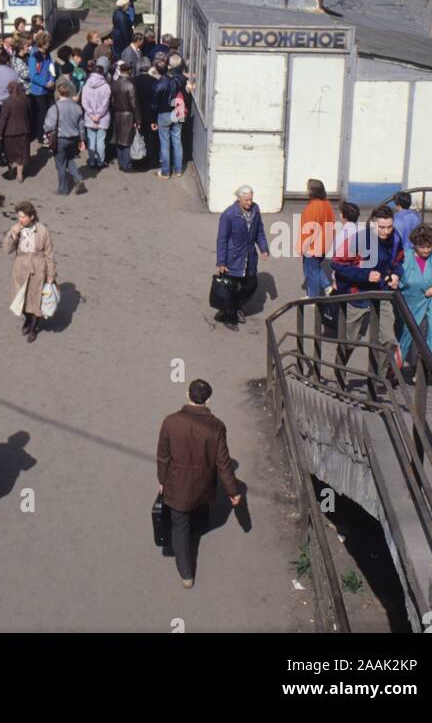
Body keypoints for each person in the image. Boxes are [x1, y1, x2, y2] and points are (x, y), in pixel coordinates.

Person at [156, 378, 241, 588]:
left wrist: (162, 480)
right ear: (208, 399)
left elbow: (163, 456)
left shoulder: (170, 422)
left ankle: (186, 574)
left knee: (179, 526)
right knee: (199, 510)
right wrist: (233, 491)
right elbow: (223, 462)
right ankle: (198, 529)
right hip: (203, 483)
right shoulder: (217, 426)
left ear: (188, 395)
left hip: (177, 485)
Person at [330, 204, 403, 361]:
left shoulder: (395, 238)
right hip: (358, 296)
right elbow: (337, 263)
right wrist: (365, 275)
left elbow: (398, 261)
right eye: (382, 227)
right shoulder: (359, 239)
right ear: (373, 224)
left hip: (382, 294)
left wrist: (397, 274)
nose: (386, 231)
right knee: (349, 342)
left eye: (389, 227)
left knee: (388, 341)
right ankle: (339, 374)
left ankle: (379, 380)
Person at [397, 225, 432, 371]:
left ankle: (423, 371)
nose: (426, 250)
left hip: (429, 304)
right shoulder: (405, 258)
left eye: (429, 246)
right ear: (415, 245)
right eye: (422, 247)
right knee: (406, 338)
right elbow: (397, 279)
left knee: (427, 336)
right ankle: (395, 370)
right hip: (408, 304)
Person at [215, 185, 270, 327]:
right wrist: (221, 262)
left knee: (251, 285)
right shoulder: (229, 215)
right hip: (233, 259)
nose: (249, 203)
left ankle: (233, 308)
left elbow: (259, 231)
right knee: (230, 289)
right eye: (246, 200)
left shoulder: (256, 210)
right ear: (238, 199)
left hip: (250, 258)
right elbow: (222, 240)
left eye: (250, 199)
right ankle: (229, 317)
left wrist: (264, 248)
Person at [3, 202, 56, 343]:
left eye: (22, 217)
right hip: (20, 269)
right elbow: (6, 249)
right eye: (18, 216)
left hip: (38, 270)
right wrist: (13, 235)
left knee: (36, 300)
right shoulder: (16, 229)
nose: (20, 219)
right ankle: (27, 318)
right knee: (21, 299)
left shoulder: (42, 231)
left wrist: (51, 275)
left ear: (31, 217)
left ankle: (33, 328)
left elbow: (49, 254)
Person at [44, 80, 87, 196]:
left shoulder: (55, 108)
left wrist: (45, 130)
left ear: (59, 93)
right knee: (69, 159)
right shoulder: (77, 108)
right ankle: (78, 178)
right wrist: (82, 140)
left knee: (60, 164)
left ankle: (63, 188)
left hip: (60, 139)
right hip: (74, 138)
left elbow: (48, 126)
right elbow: (81, 126)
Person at [150, 54, 188, 179]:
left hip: (164, 114)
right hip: (177, 111)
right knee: (177, 141)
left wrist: (153, 119)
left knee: (165, 143)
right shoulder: (176, 81)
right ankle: (178, 169)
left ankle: (166, 171)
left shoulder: (158, 85)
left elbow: (154, 104)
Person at [299, 178, 336, 300]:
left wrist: (303, 247)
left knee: (311, 271)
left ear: (312, 191)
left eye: (307, 188)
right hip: (325, 243)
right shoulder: (327, 204)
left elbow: (308, 230)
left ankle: (313, 297)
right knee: (315, 268)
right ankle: (326, 287)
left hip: (313, 246)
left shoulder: (311, 208)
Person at [0, 79, 32, 183]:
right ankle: (19, 173)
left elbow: (3, 118)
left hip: (10, 132)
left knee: (13, 153)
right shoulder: (26, 100)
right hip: (24, 130)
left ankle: (13, 169)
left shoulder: (7, 102)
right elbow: (30, 114)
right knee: (21, 153)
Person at [111, 61, 142, 170]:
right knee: (127, 141)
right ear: (129, 71)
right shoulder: (130, 85)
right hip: (128, 116)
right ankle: (127, 165)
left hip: (117, 114)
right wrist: (138, 120)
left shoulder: (114, 84)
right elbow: (134, 104)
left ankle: (120, 163)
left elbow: (112, 101)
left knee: (119, 140)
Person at [27, 32, 56, 146]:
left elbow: (51, 67)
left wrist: (52, 79)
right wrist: (45, 83)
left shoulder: (47, 54)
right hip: (39, 91)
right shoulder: (34, 56)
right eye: (48, 42)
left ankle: (49, 133)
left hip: (48, 88)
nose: (49, 44)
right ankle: (41, 136)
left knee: (50, 112)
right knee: (41, 115)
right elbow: (33, 75)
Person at [80, 62, 111, 169]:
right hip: (102, 118)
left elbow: (84, 102)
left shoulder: (86, 85)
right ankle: (100, 161)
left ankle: (92, 161)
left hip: (90, 118)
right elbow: (105, 103)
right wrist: (98, 115)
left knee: (91, 140)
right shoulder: (106, 86)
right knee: (101, 140)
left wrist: (91, 114)